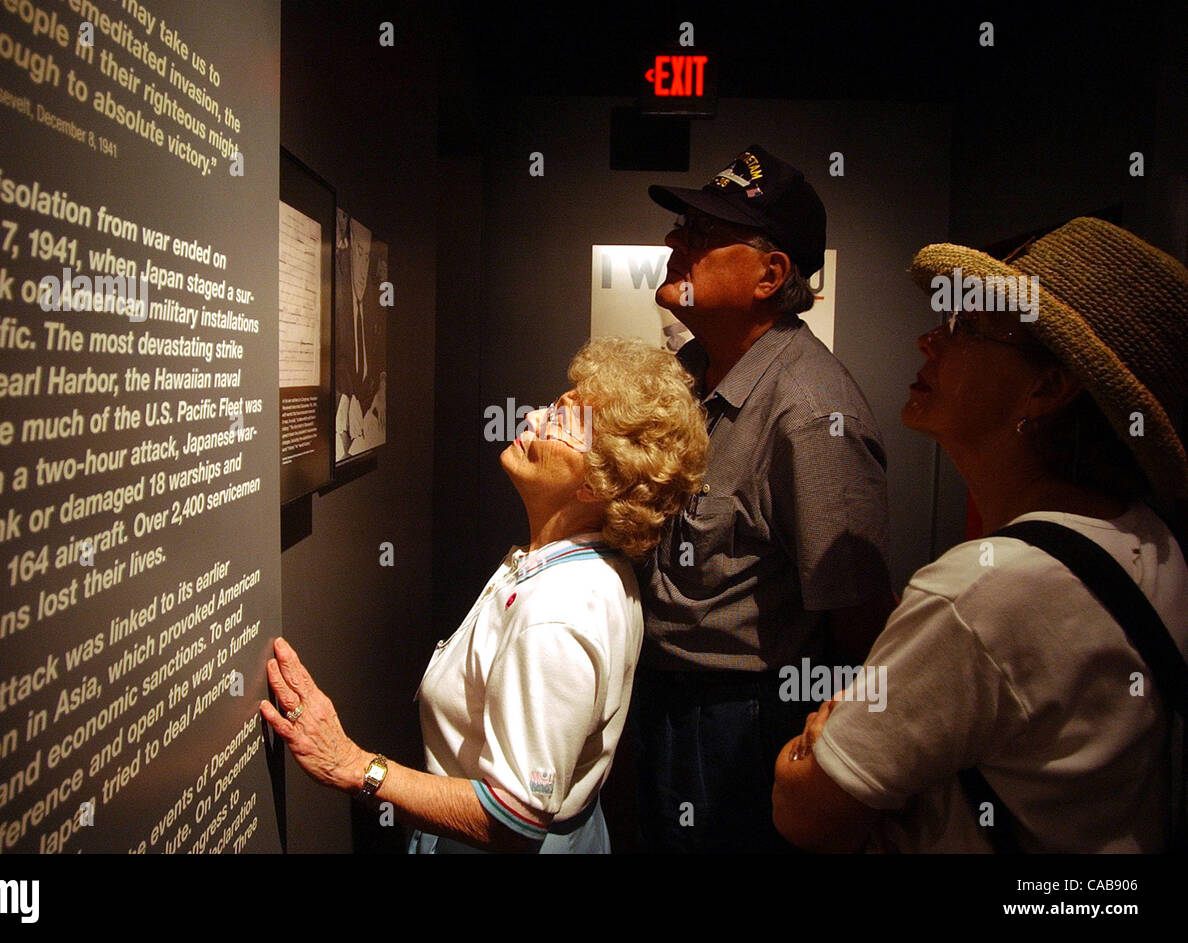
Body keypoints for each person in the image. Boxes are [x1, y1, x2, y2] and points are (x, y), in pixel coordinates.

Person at [772, 217, 1188, 852]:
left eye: (966, 326)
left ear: (1047, 387)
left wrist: (813, 740)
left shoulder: (982, 592)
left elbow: (804, 810)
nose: (928, 339)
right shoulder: (1149, 539)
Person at [260, 336, 709, 852]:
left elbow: (510, 819)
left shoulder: (558, 613)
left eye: (562, 423)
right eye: (553, 406)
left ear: (597, 484)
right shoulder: (586, 565)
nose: (535, 418)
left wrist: (353, 764)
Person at [633, 144, 895, 852]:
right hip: (661, 701)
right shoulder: (690, 372)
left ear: (771, 274)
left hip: (735, 725)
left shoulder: (811, 415)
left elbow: (859, 624)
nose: (672, 242)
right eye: (682, 225)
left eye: (701, 233)